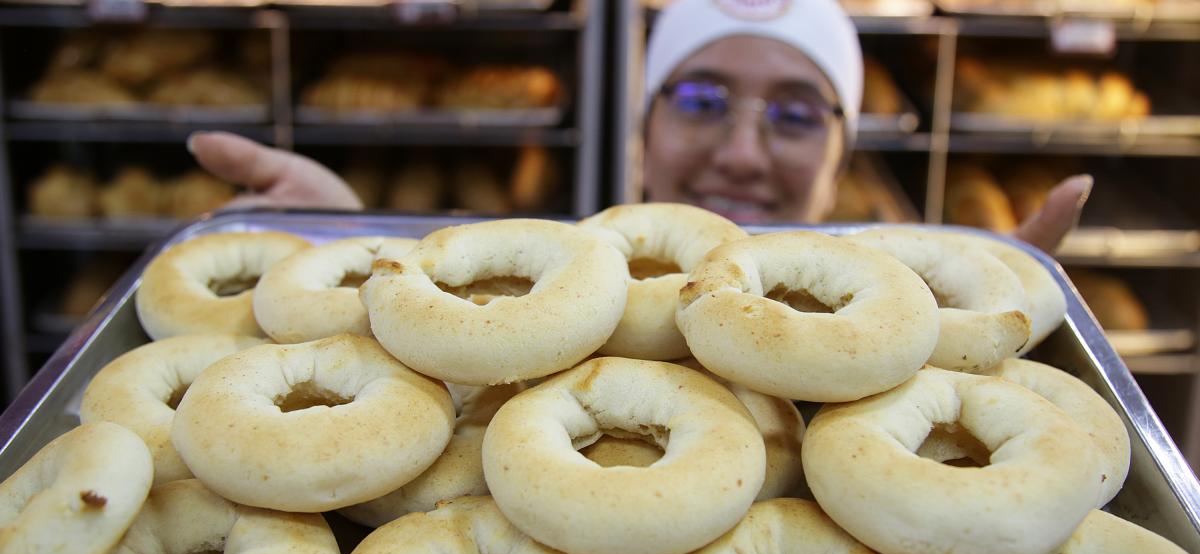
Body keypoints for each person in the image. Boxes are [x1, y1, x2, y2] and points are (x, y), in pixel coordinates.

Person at [187, 0, 1091, 252]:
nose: (741, 153)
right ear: (644, 127)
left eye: (793, 115)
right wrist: (354, 241)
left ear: (842, 150)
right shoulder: (549, 298)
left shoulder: (903, 334)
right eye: (700, 102)